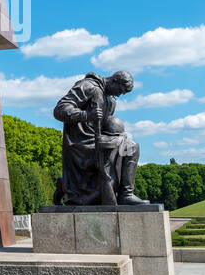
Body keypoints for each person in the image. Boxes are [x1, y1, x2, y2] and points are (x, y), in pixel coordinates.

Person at [52, 71, 148, 205]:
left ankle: (126, 194)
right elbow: (59, 110)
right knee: (118, 147)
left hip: (99, 140)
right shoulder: (88, 86)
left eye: (122, 94)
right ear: (114, 80)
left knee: (131, 146)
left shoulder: (111, 100)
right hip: (80, 144)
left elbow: (106, 125)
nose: (118, 95)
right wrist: (86, 115)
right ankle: (72, 187)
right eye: (119, 90)